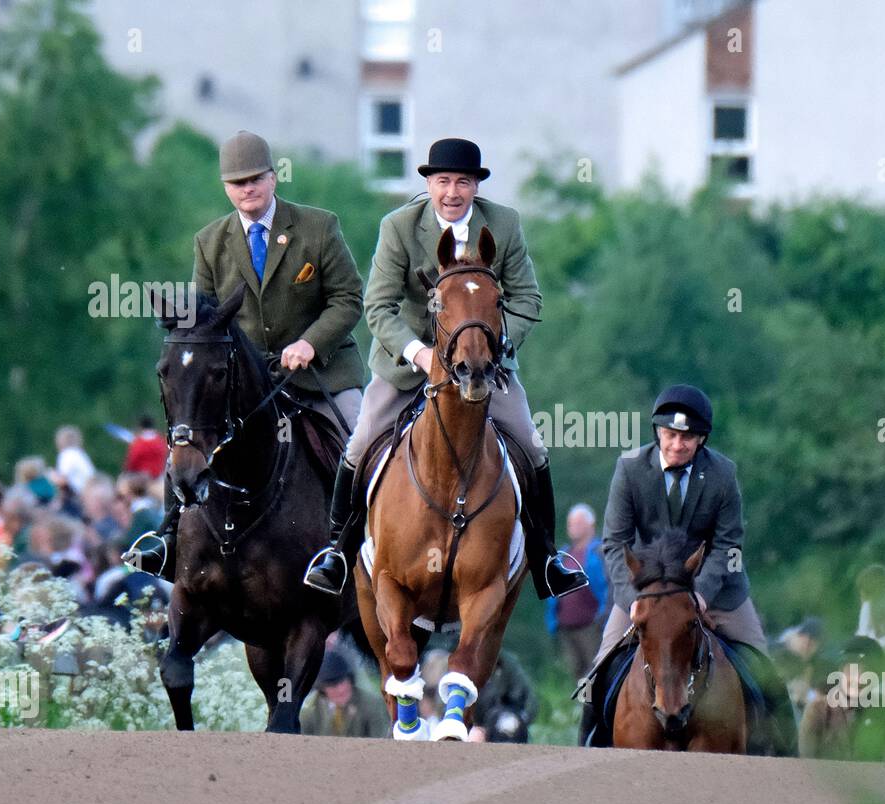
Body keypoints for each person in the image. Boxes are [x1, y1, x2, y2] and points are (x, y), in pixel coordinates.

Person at [302, 137, 588, 601]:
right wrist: (421, 355)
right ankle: (338, 551)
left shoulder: (504, 225)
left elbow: (527, 299)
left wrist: (494, 347)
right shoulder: (398, 226)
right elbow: (378, 306)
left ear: (476, 186)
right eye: (443, 181)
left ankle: (546, 558)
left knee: (533, 446)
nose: (452, 192)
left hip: (484, 365)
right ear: (430, 184)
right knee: (360, 442)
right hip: (408, 365)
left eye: (462, 182)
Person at [123, 130, 366, 581]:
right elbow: (206, 315)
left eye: (255, 179)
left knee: (360, 445)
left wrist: (310, 343)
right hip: (247, 386)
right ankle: (168, 536)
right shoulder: (209, 241)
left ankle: (354, 551)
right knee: (186, 439)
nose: (247, 189)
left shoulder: (318, 227)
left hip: (321, 377)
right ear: (226, 188)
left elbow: (348, 298)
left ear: (273, 178)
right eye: (237, 183)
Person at [578, 384, 792, 752]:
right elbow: (613, 544)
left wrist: (701, 594)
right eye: (670, 435)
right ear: (658, 432)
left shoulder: (723, 474)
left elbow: (728, 546)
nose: (677, 444)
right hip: (647, 590)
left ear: (701, 439)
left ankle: (790, 759)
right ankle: (584, 752)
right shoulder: (630, 469)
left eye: (687, 437)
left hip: (718, 592)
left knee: (768, 676)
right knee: (598, 674)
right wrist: (631, 599)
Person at [545, 503, 609, 679]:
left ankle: (598, 698)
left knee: (596, 671)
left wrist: (603, 617)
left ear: (591, 525)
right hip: (566, 627)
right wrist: (553, 620)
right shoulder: (562, 555)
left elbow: (608, 588)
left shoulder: (600, 552)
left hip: (592, 626)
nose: (573, 527)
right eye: (571, 524)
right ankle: (584, 698)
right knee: (577, 674)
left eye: (578, 523)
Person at [300, 649, 391, 738]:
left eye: (343, 681)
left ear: (350, 679)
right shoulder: (308, 711)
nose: (341, 690)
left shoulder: (373, 705)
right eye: (333, 685)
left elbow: (381, 742)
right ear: (322, 689)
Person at [123, 415, 167, 480]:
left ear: (141, 427)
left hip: (140, 476)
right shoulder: (160, 441)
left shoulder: (138, 442)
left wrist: (127, 470)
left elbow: (132, 460)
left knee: (122, 480)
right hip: (157, 476)